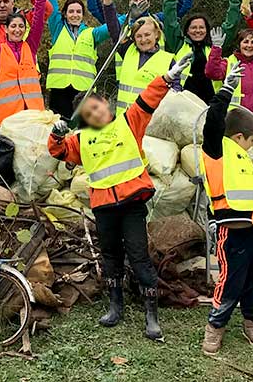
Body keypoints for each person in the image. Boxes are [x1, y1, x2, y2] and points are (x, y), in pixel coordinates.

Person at [47, 53, 196, 341]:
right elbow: (58, 151)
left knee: (139, 257)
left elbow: (148, 98)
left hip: (132, 205)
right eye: (88, 112)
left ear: (106, 106)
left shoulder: (129, 122)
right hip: (103, 208)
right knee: (111, 257)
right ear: (84, 119)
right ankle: (116, 306)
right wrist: (56, 133)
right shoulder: (80, 140)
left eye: (98, 107)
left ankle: (151, 315)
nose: (96, 113)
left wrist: (167, 77)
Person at [199, 62, 253, 355]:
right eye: (252, 140)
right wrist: (227, 90)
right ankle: (215, 326)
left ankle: (251, 320)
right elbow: (214, 119)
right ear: (238, 137)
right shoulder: (218, 150)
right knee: (230, 281)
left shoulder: (244, 161)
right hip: (232, 231)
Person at [43, 0, 114, 119]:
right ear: (65, 14)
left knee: (79, 131)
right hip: (59, 89)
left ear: (83, 15)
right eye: (71, 11)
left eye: (78, 11)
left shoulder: (92, 33)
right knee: (59, 129)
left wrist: (132, 16)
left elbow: (113, 24)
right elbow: (51, 3)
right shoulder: (57, 28)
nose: (74, 14)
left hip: (83, 91)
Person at [111, 9, 174, 115]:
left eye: (147, 34)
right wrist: (108, 2)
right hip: (123, 120)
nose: (143, 39)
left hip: (148, 123)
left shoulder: (168, 61)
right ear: (134, 38)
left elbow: (175, 92)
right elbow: (113, 29)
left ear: (157, 35)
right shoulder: (127, 51)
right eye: (139, 36)